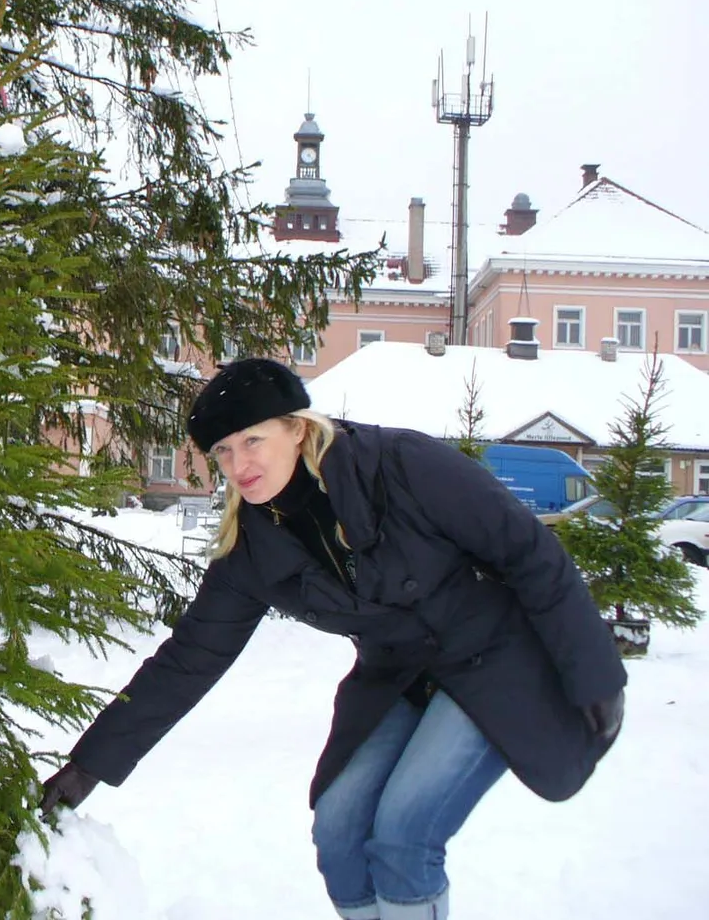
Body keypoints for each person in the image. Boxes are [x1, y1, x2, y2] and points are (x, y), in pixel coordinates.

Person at [40, 357, 626, 920]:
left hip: (493, 655)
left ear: (296, 428)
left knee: (404, 832)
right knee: (339, 831)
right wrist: (90, 765)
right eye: (222, 451)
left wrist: (595, 675)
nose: (238, 462)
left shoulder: (399, 464)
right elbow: (191, 657)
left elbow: (528, 551)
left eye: (252, 440)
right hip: (397, 676)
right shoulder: (251, 546)